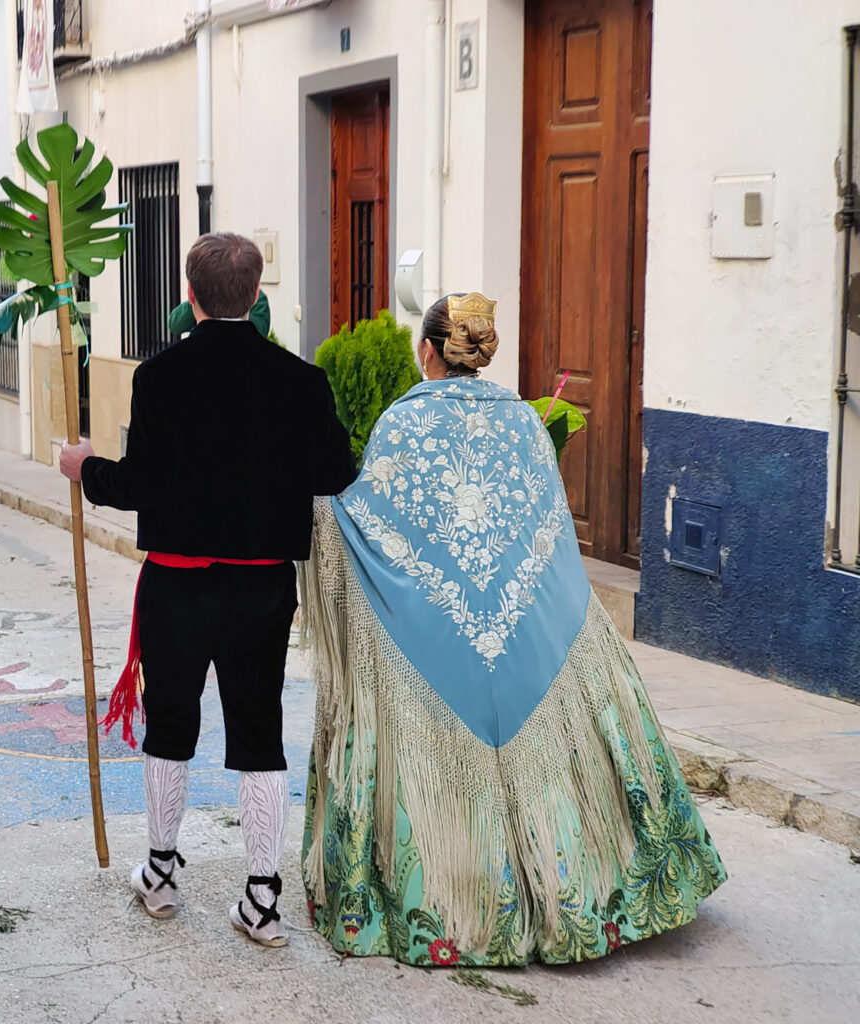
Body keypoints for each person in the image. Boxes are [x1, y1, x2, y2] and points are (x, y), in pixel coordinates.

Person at [297, 293, 726, 966]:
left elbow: (372, 522)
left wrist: (316, 510)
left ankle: (453, 896)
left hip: (434, 633)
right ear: (482, 352)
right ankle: (573, 888)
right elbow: (546, 525)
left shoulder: (403, 422)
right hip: (528, 623)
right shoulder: (526, 421)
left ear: (429, 351)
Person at [57, 233, 356, 947]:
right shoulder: (302, 381)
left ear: (190, 296)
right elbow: (337, 473)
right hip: (262, 590)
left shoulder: (160, 377)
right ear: (256, 295)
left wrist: (84, 468)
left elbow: (140, 484)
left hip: (179, 587)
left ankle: (160, 876)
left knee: (170, 725)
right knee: (259, 733)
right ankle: (262, 901)